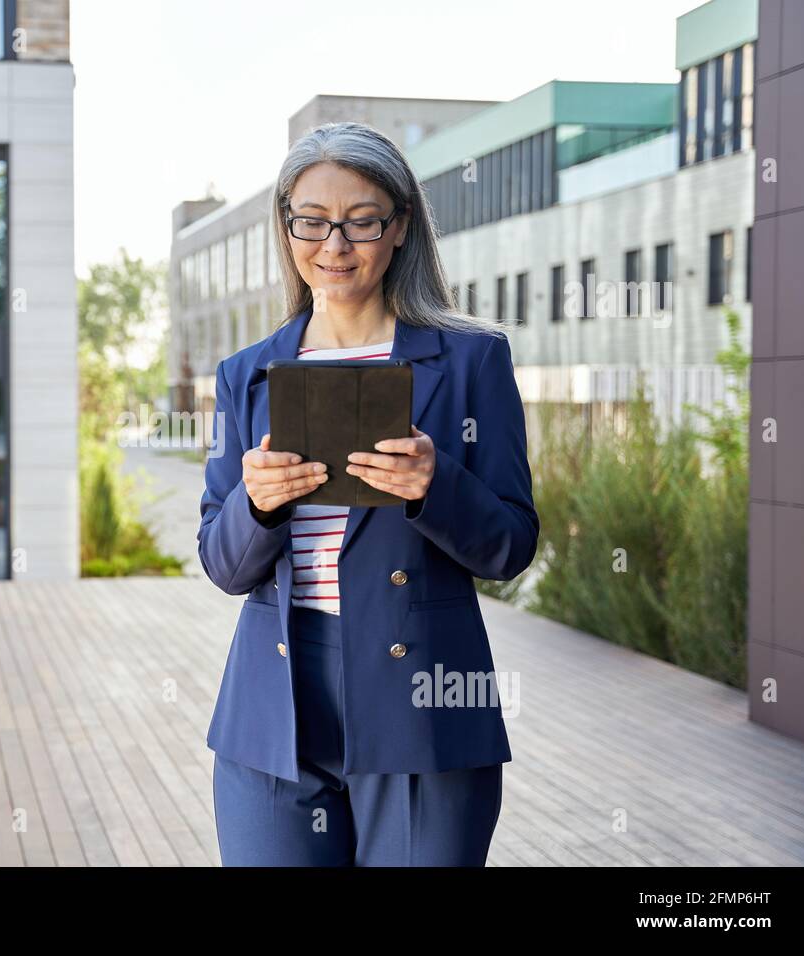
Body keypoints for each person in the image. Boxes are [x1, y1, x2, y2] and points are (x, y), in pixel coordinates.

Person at [198, 121, 539, 866]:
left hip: (424, 701)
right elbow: (222, 566)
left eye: (361, 222)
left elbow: (511, 545)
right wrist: (254, 506)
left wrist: (434, 485)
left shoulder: (472, 358)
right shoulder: (245, 374)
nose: (335, 246)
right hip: (274, 704)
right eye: (312, 222)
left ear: (401, 226)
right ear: (286, 225)